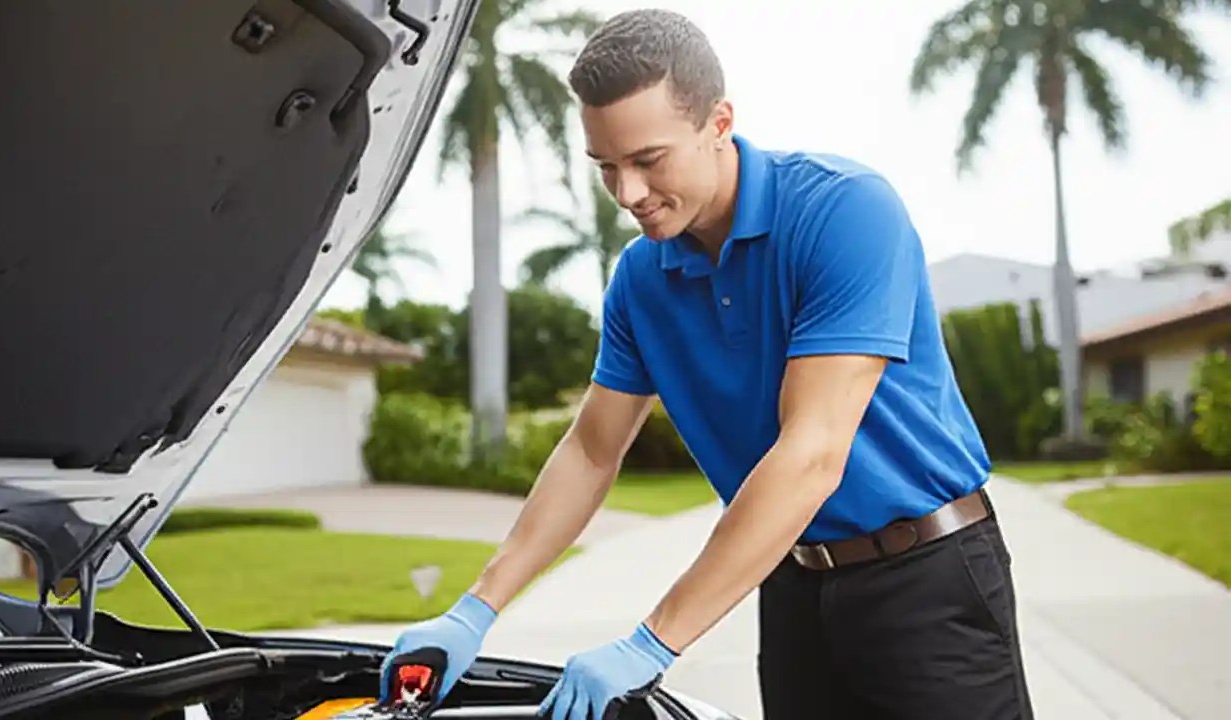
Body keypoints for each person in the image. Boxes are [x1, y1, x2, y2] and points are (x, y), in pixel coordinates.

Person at [378, 8, 1034, 720]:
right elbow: (592, 451)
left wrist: (650, 645)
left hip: (925, 580)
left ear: (718, 122)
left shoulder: (842, 212)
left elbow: (812, 453)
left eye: (648, 160)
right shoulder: (640, 280)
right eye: (607, 167)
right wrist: (476, 609)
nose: (627, 194)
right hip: (792, 585)